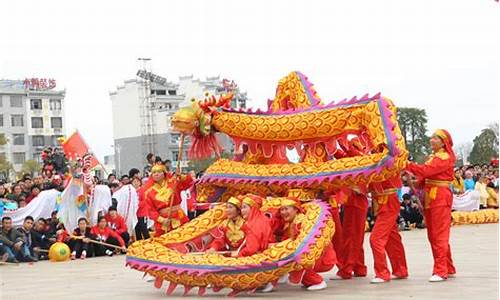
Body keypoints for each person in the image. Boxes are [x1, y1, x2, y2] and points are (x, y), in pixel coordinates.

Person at [406, 129, 456, 282]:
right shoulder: (433, 157)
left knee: (439, 235)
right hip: (431, 197)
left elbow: (427, 171)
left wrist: (407, 164)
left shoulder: (444, 157)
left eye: (435, 138)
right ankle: (448, 266)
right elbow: (425, 177)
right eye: (432, 137)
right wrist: (414, 182)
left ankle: (441, 270)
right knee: (434, 234)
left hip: (440, 197)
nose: (431, 140)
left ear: (443, 142)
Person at [279, 198, 335, 291]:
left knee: (297, 258)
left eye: (286, 209)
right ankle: (307, 280)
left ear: (296, 209)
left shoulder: (300, 222)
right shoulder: (291, 223)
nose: (283, 212)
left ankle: (317, 281)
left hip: (322, 258)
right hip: (316, 256)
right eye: (281, 209)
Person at [369, 176, 408, 283]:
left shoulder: (387, 161)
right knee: (392, 238)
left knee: (375, 239)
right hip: (382, 201)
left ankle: (382, 273)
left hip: (388, 202)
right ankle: (401, 270)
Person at [144, 164, 193, 237]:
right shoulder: (148, 192)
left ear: (164, 173)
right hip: (163, 221)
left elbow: (188, 183)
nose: (156, 174)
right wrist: (162, 220)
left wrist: (181, 176)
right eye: (154, 172)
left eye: (159, 171)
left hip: (178, 216)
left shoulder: (173, 182)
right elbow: (151, 211)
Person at [336, 188, 368, 279]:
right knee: (357, 238)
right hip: (356, 203)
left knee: (351, 237)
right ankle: (359, 267)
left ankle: (347, 269)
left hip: (355, 203)